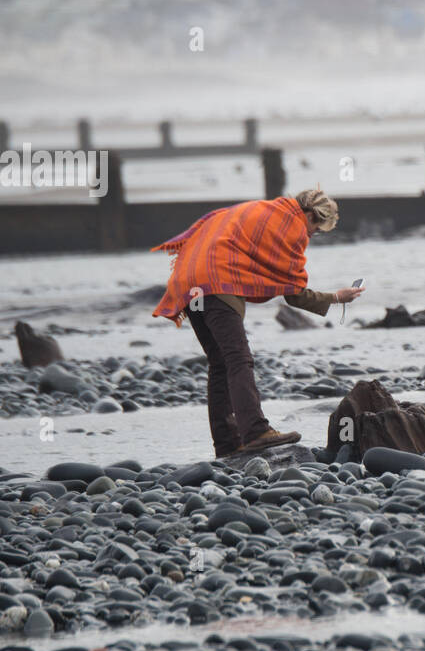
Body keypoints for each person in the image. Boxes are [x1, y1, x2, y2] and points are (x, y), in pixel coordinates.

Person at [152, 188, 364, 457]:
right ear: (310, 215)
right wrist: (336, 296)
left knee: (220, 363)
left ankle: (227, 444)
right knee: (239, 359)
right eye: (316, 228)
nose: (311, 235)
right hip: (216, 282)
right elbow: (294, 293)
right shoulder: (293, 225)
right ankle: (255, 431)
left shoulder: (262, 210)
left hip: (187, 281)